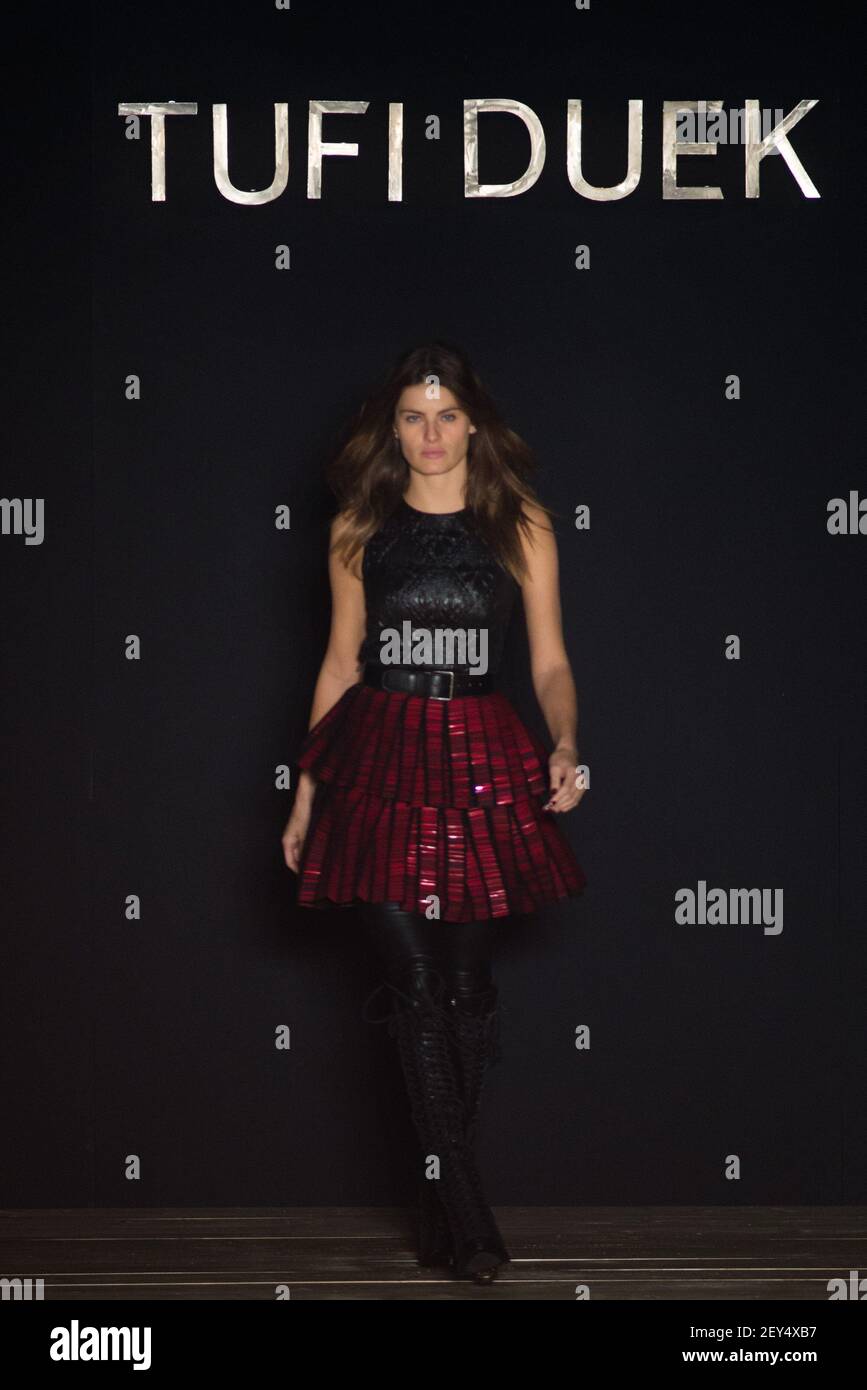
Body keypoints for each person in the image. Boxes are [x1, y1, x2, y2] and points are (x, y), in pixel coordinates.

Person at [282, 340, 588, 1283]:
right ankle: (467, 1209)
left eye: (446, 414)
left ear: (473, 423)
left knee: (463, 994)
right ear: (391, 427)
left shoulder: (520, 523)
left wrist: (565, 741)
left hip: (480, 759)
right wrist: (306, 793)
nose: (429, 433)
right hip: (375, 757)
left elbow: (548, 662)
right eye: (412, 416)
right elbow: (339, 663)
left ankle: (435, 1202)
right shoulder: (355, 529)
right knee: (413, 989)